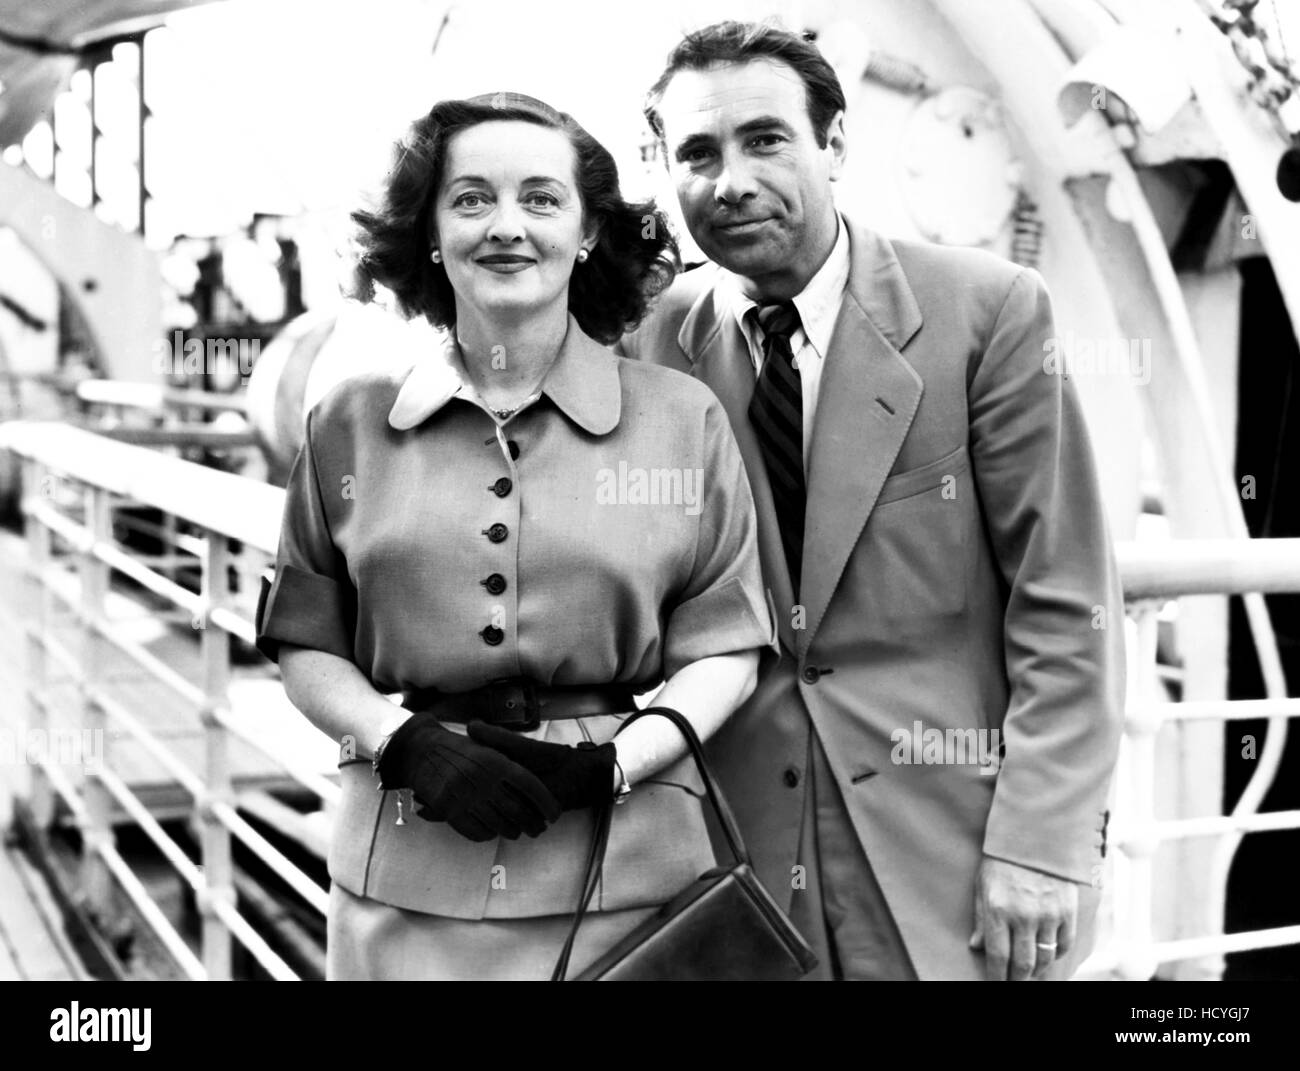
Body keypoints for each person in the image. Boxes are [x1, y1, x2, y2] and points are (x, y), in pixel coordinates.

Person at [618, 21, 1126, 981]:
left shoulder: (991, 315)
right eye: (697, 153)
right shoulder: (645, 347)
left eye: (765, 139)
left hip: (955, 858)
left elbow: (1065, 601)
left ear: (836, 144)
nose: (731, 181)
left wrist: (1043, 841)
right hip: (734, 868)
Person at [254, 91, 773, 980]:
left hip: (631, 881)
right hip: (402, 877)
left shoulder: (682, 421)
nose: (506, 226)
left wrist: (609, 766)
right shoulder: (348, 421)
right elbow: (304, 638)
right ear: (428, 232)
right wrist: (400, 740)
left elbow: (726, 647)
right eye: (469, 199)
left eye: (541, 199)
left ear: (586, 233)